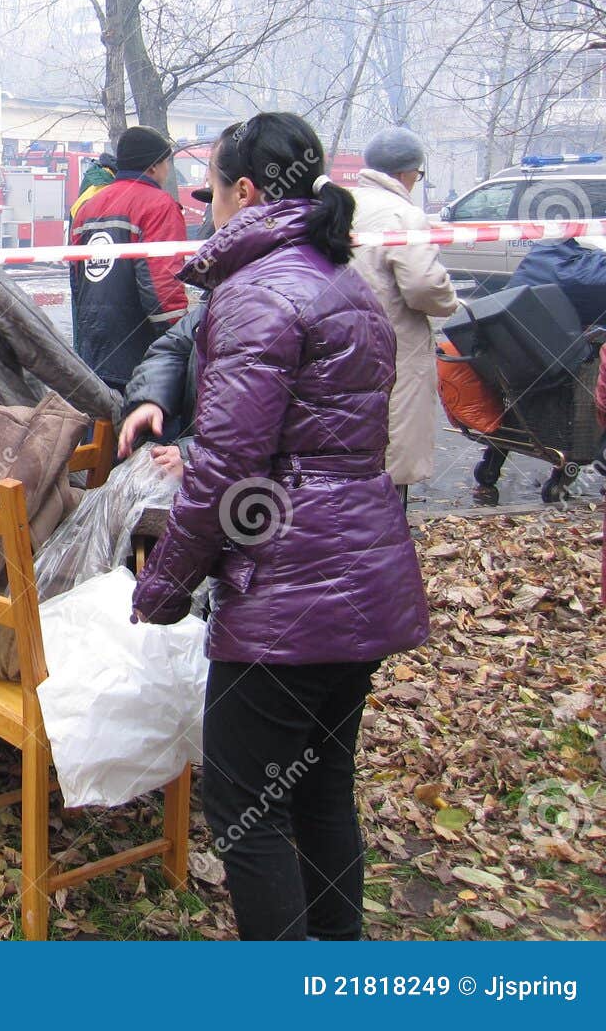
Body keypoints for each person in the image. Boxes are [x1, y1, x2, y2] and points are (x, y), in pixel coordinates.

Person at [131, 112, 429, 942]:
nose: (206, 210)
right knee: (321, 787)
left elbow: (231, 470)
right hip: (362, 574)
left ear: (248, 194)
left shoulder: (258, 294)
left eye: (214, 193)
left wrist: (163, 586)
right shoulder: (340, 282)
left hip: (290, 593)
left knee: (243, 805)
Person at [116, 128, 241, 479]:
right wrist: (151, 398)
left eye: (213, 193)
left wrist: (191, 456)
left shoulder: (90, 201)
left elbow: (254, 418)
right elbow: (175, 339)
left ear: (244, 194)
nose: (211, 215)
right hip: (136, 346)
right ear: (158, 165)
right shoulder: (156, 204)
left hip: (102, 348)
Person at [349, 127, 459, 497]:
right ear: (406, 173)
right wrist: (450, 302)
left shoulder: (342, 204)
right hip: (393, 348)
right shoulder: (404, 214)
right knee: (390, 453)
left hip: (340, 345)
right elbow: (425, 287)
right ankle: (387, 543)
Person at [70, 124, 188, 389]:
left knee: (101, 424)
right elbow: (162, 286)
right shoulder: (159, 205)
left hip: (96, 347)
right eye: (166, 163)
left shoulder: (87, 208)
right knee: (148, 426)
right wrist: (180, 340)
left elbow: (78, 279)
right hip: (142, 353)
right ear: (155, 166)